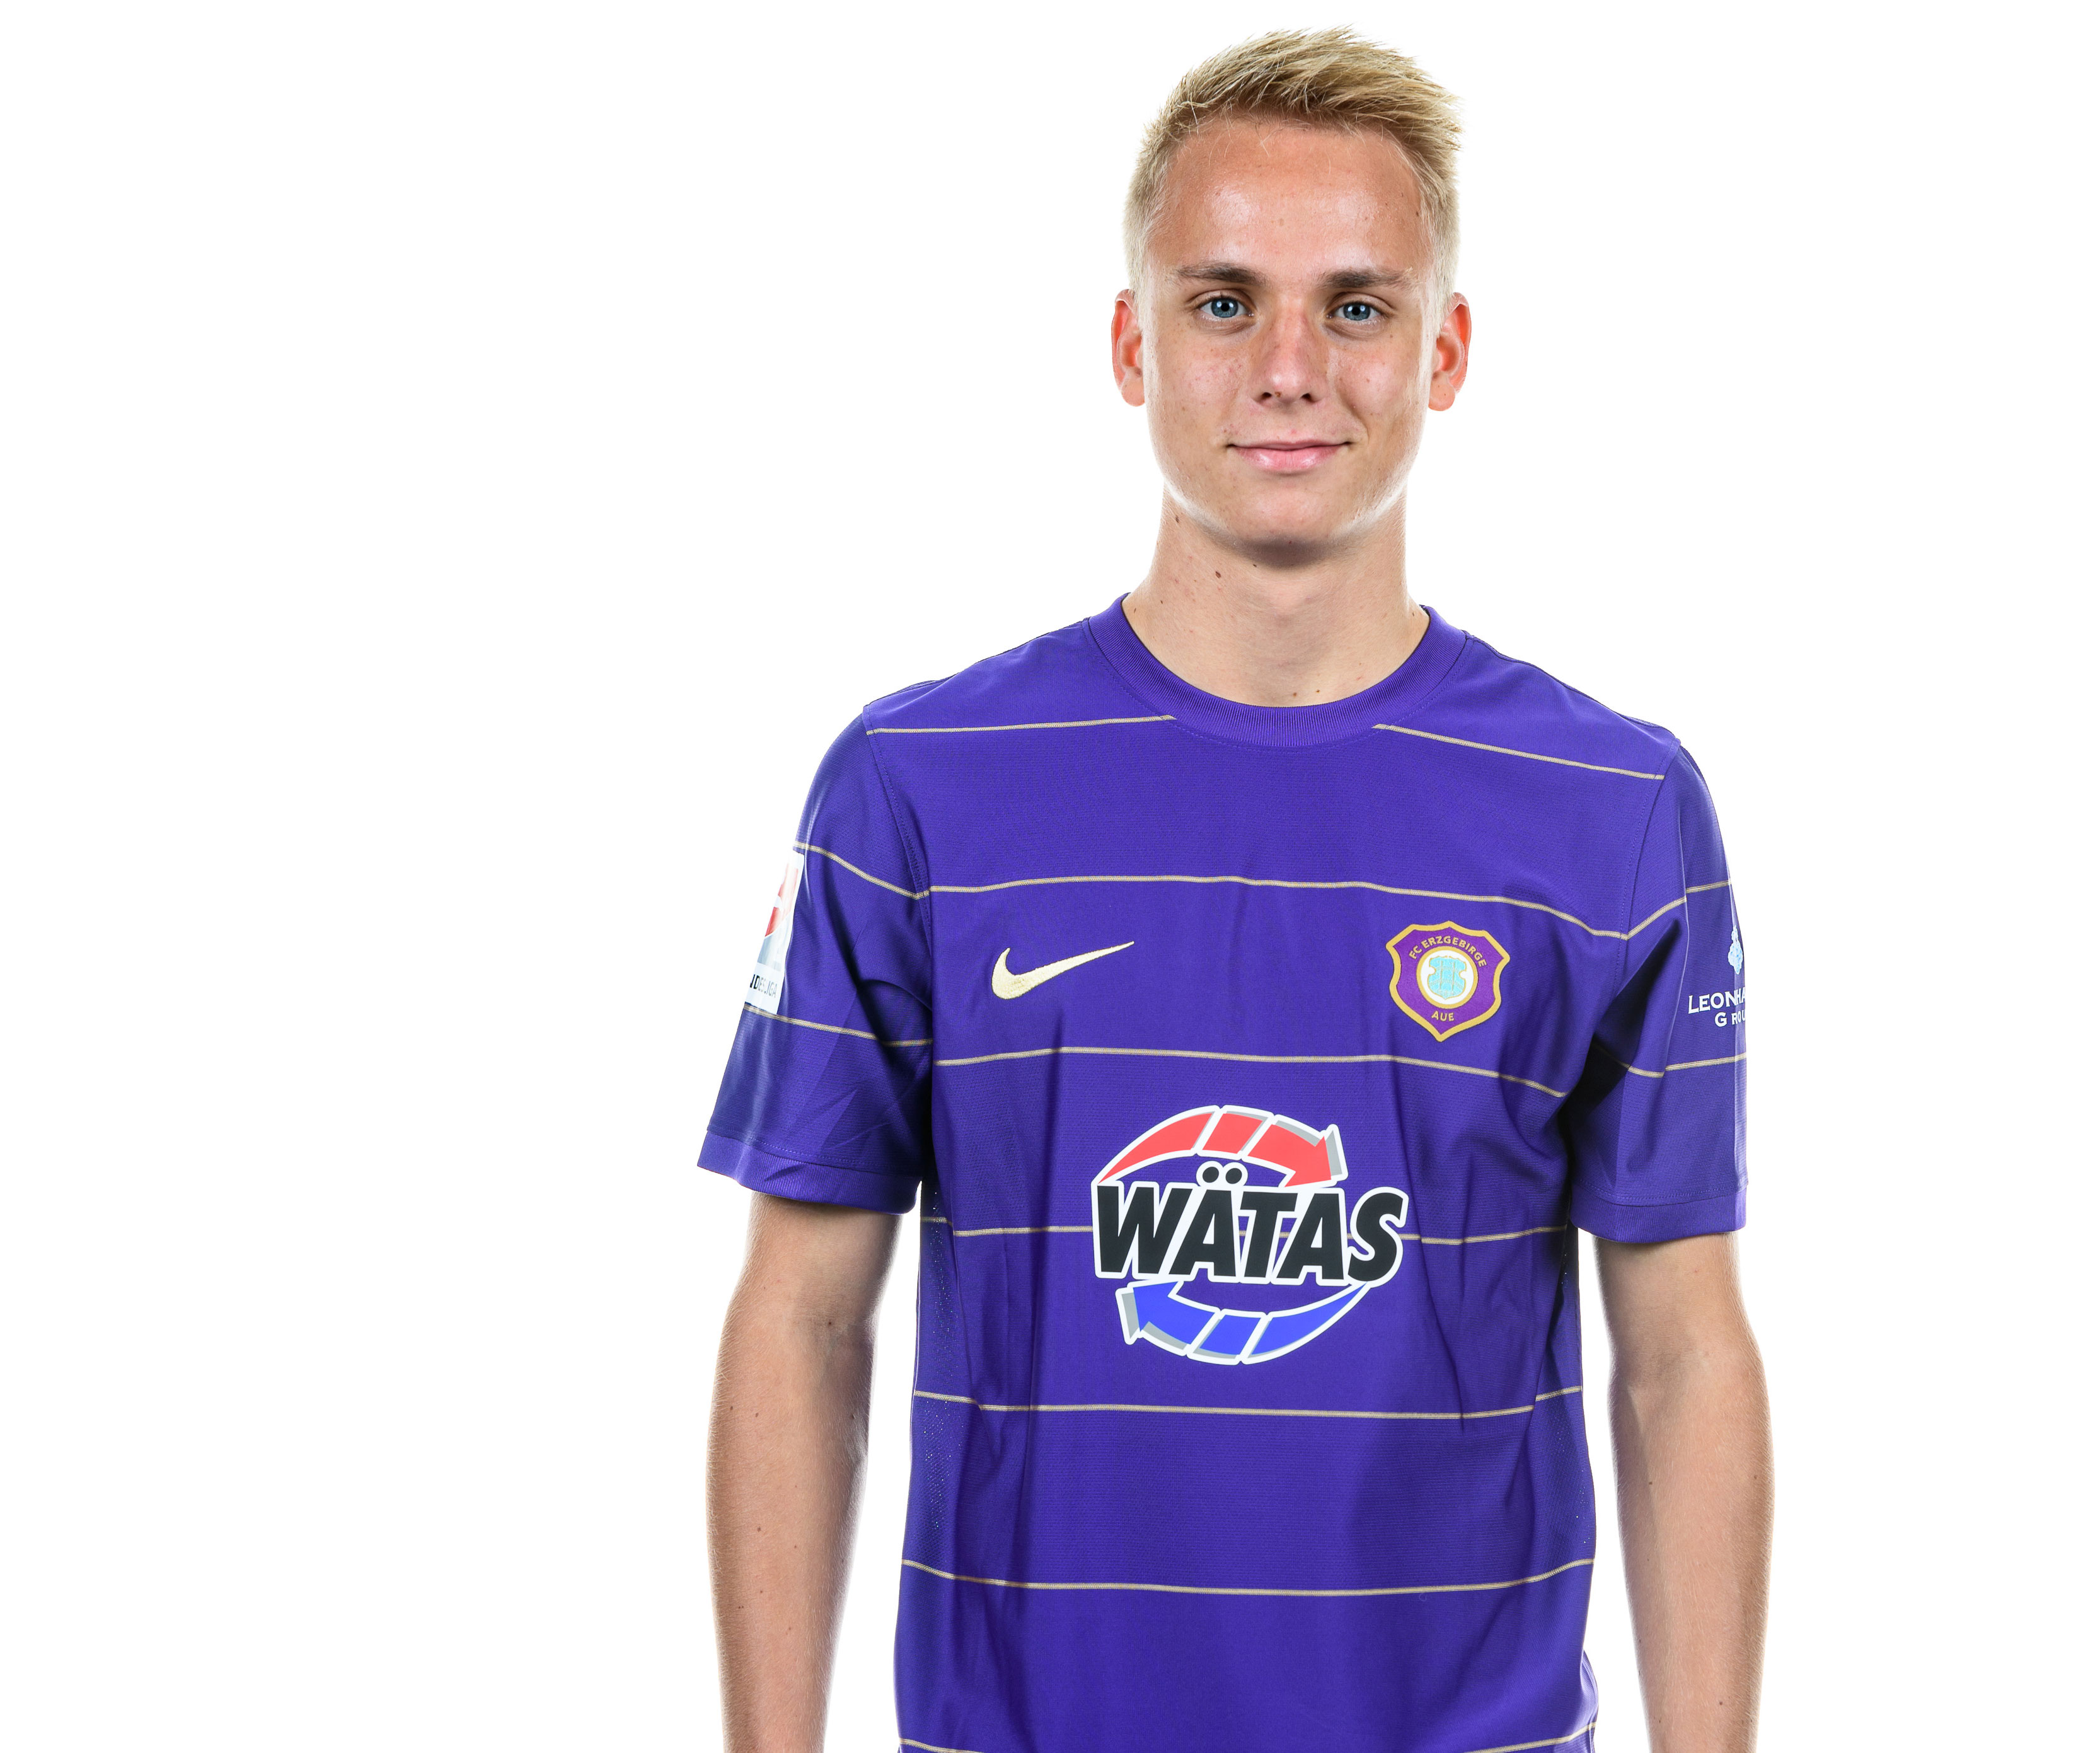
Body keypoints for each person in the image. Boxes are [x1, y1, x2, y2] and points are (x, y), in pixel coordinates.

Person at [701, 28, 1770, 1753]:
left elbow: (1683, 1357)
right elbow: (802, 1318)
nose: (1289, 367)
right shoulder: (919, 786)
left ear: (1446, 349)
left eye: (1355, 306)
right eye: (1222, 303)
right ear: (1132, 343)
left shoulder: (1612, 809)